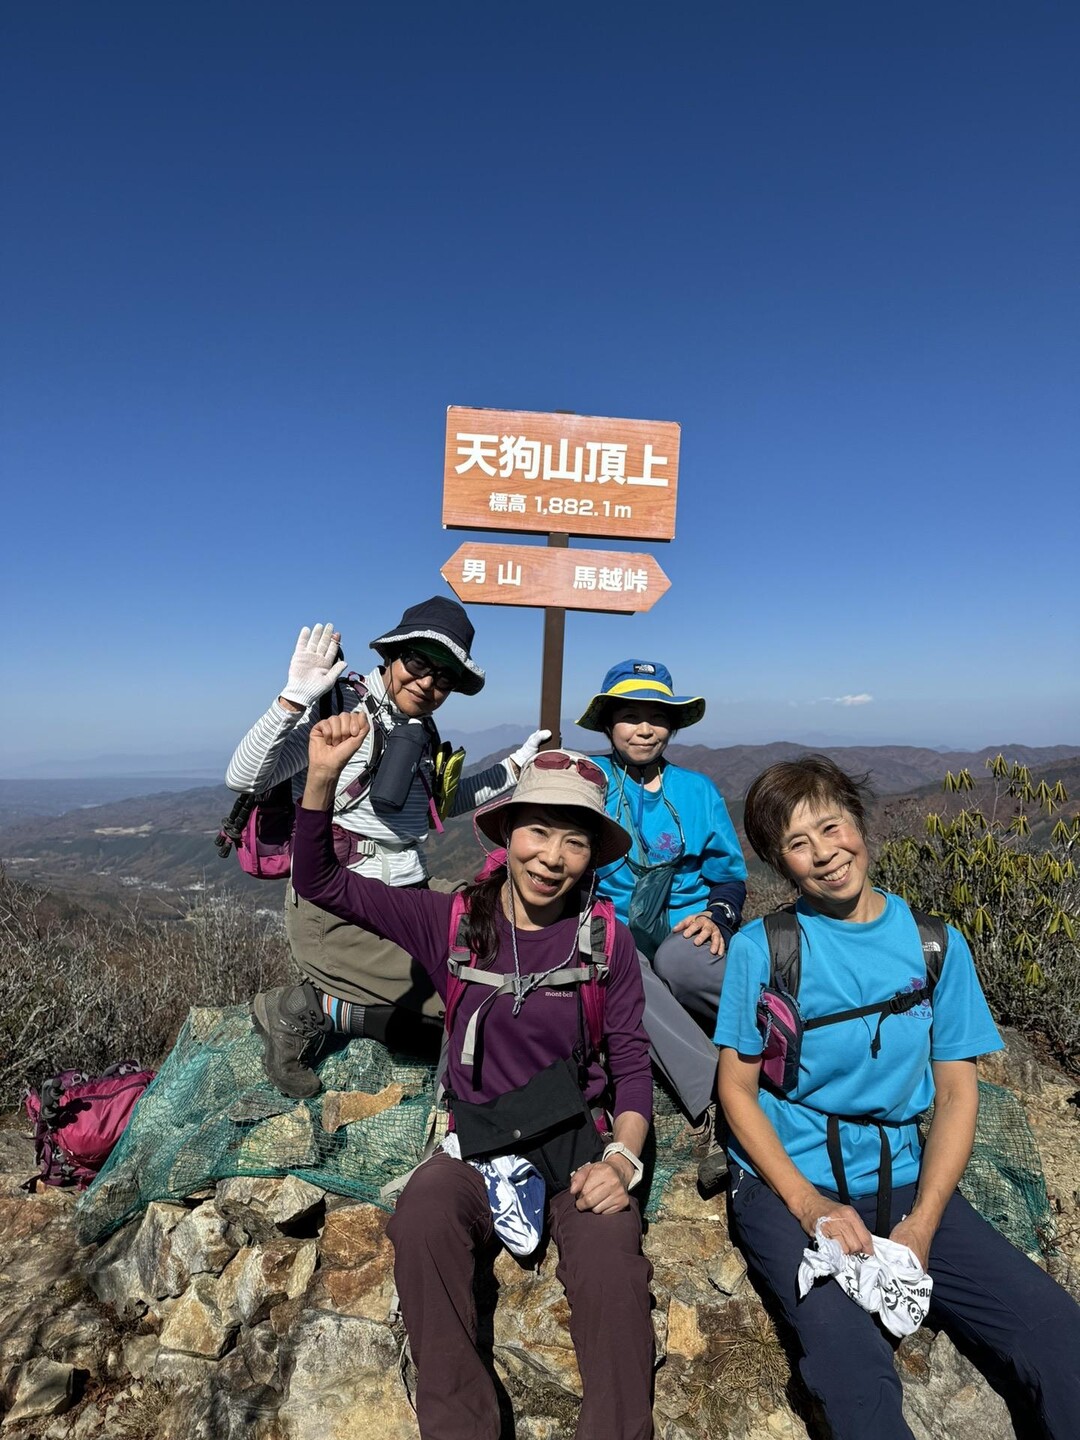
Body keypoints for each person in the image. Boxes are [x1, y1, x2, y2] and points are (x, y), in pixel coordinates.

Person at [291, 719, 655, 1440]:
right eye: (538, 833)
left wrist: (624, 1158)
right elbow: (321, 880)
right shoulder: (453, 922)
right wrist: (322, 777)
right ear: (508, 832)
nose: (552, 858)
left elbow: (632, 1065)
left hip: (575, 1145)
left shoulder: (605, 941)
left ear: (592, 858)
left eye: (575, 841)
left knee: (614, 1267)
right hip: (478, 1143)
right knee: (422, 1217)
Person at [714, 755, 1080, 1440]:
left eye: (831, 827)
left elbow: (954, 1093)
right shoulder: (762, 949)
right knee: (854, 1371)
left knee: (1058, 1336)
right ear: (779, 863)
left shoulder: (934, 945)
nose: (825, 854)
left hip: (907, 1181)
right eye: (798, 843)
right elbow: (736, 1090)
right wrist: (810, 1204)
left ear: (859, 820)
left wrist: (923, 1224)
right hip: (790, 1182)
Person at [226, 596, 547, 1096]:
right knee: (470, 995)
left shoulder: (420, 728)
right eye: (418, 662)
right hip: (338, 909)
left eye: (445, 676)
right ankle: (302, 1008)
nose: (428, 681)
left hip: (408, 892)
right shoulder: (340, 709)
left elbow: (442, 803)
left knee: (509, 955)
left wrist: (512, 769)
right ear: (392, 656)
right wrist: (293, 701)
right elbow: (244, 776)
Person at [576, 659, 747, 1185]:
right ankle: (726, 1100)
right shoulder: (589, 781)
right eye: (629, 716)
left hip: (685, 928)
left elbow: (729, 875)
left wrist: (719, 916)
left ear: (672, 725)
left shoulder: (696, 791)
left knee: (682, 960)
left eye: (656, 716)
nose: (644, 728)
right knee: (626, 966)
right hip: (613, 929)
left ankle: (791, 1046)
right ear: (608, 724)